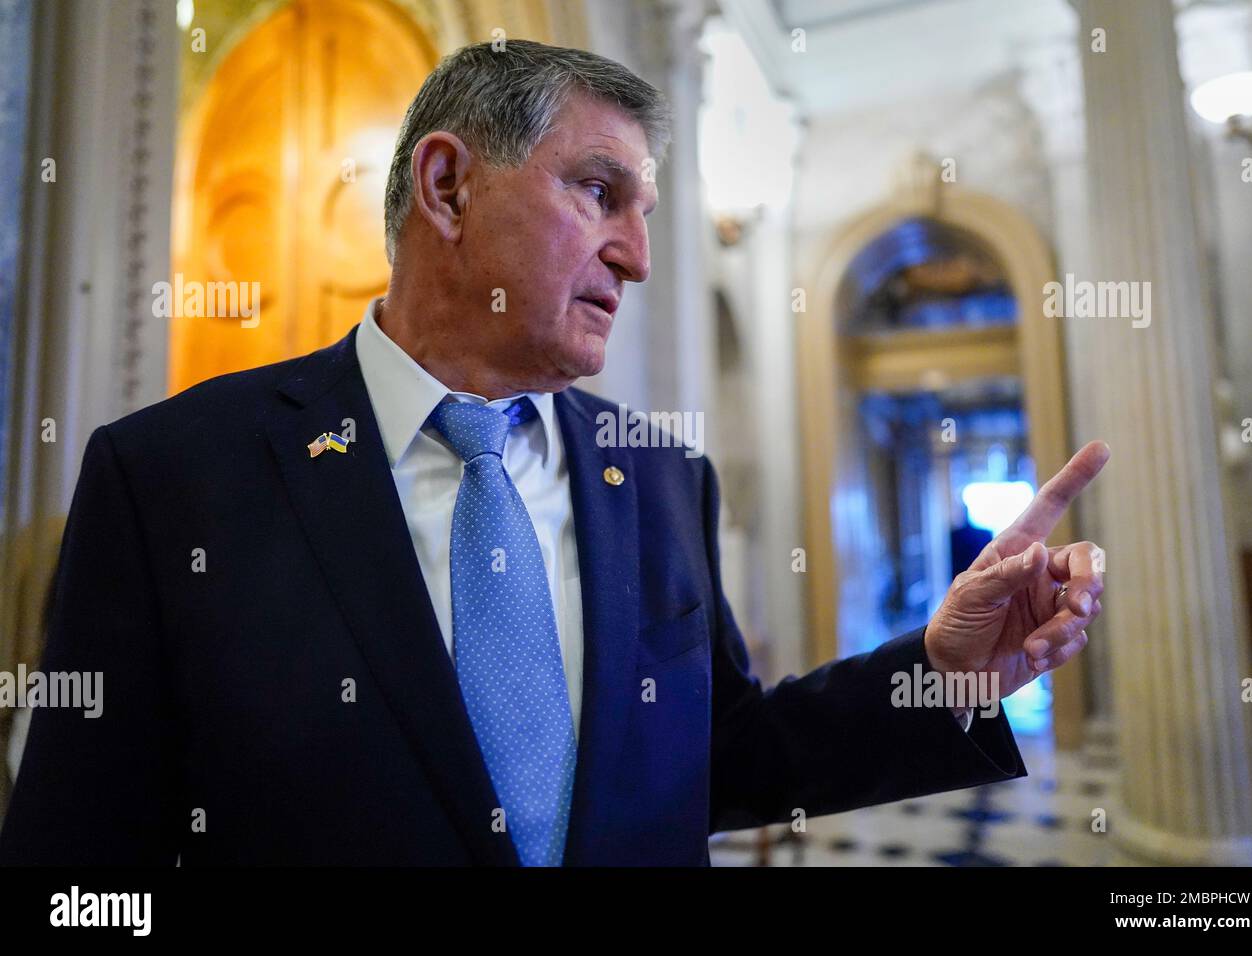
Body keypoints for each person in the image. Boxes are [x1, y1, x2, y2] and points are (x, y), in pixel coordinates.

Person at [0, 40, 1107, 866]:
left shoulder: (660, 475)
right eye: (598, 192)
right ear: (446, 189)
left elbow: (722, 758)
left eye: (645, 208)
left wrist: (944, 669)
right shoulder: (173, 477)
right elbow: (78, 859)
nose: (635, 255)